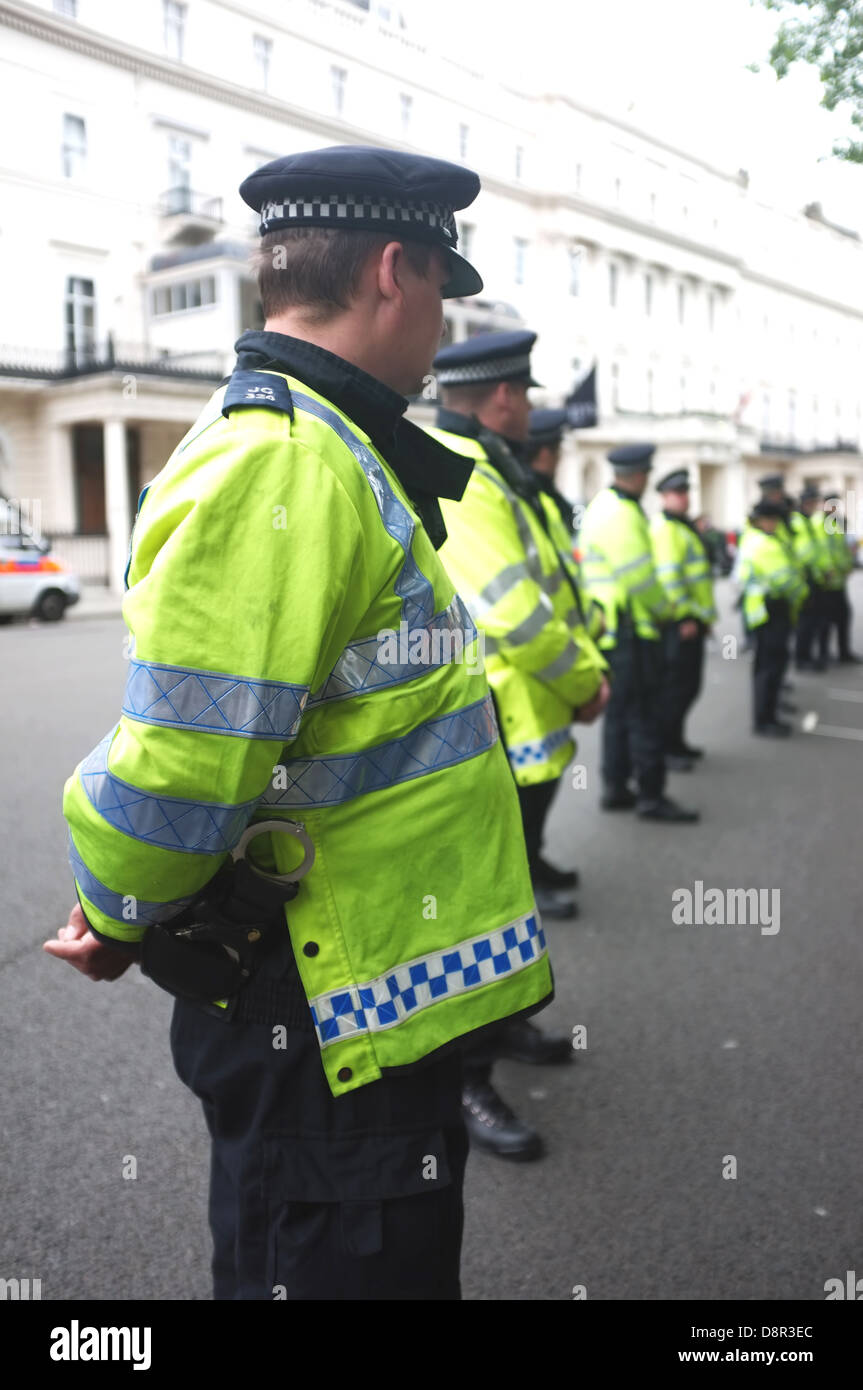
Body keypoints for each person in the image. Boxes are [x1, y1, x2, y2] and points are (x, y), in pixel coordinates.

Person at [45, 146, 555, 1301]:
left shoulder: (329, 450)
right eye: (441, 287)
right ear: (393, 271)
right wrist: (122, 901)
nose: (441, 322)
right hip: (325, 1014)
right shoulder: (282, 461)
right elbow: (184, 759)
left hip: (363, 993)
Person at [426, 334, 610, 1160]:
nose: (532, 409)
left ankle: (500, 1030)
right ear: (501, 396)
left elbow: (546, 584)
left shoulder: (485, 459)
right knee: (470, 912)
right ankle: (464, 1077)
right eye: (525, 395)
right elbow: (513, 610)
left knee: (505, 895)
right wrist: (582, 679)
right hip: (491, 719)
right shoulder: (460, 466)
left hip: (517, 716)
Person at [579, 445, 699, 823]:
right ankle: (651, 796)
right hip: (632, 630)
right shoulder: (623, 513)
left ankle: (615, 787)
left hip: (613, 630)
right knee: (644, 715)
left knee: (620, 714)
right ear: (641, 475)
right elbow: (641, 580)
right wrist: (668, 613)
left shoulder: (602, 505)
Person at [650, 469, 716, 768]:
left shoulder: (683, 528)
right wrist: (683, 618)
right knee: (675, 690)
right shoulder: (667, 530)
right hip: (681, 624)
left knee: (688, 687)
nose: (684, 497)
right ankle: (667, 749)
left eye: (686, 492)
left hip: (693, 622)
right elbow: (669, 581)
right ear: (664, 497)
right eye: (678, 493)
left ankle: (676, 743)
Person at [736, 499, 809, 736]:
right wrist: (804, 594)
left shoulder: (756, 539)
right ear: (764, 521)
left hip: (765, 612)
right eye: (773, 520)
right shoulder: (765, 545)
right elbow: (786, 579)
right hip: (772, 611)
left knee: (767, 667)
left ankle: (767, 714)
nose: (776, 524)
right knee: (770, 668)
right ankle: (765, 720)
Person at [788, 485, 831, 673]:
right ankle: (801, 658)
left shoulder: (809, 521)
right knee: (806, 622)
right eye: (814, 502)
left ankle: (807, 656)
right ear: (807, 502)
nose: (816, 505)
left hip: (813, 576)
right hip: (805, 577)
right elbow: (803, 552)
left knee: (813, 621)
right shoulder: (797, 522)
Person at [820, 492, 860, 663]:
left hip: (840, 579)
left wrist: (850, 561)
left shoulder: (842, 522)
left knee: (843, 617)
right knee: (825, 620)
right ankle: (824, 653)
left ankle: (844, 652)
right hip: (826, 580)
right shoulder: (819, 523)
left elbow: (849, 544)